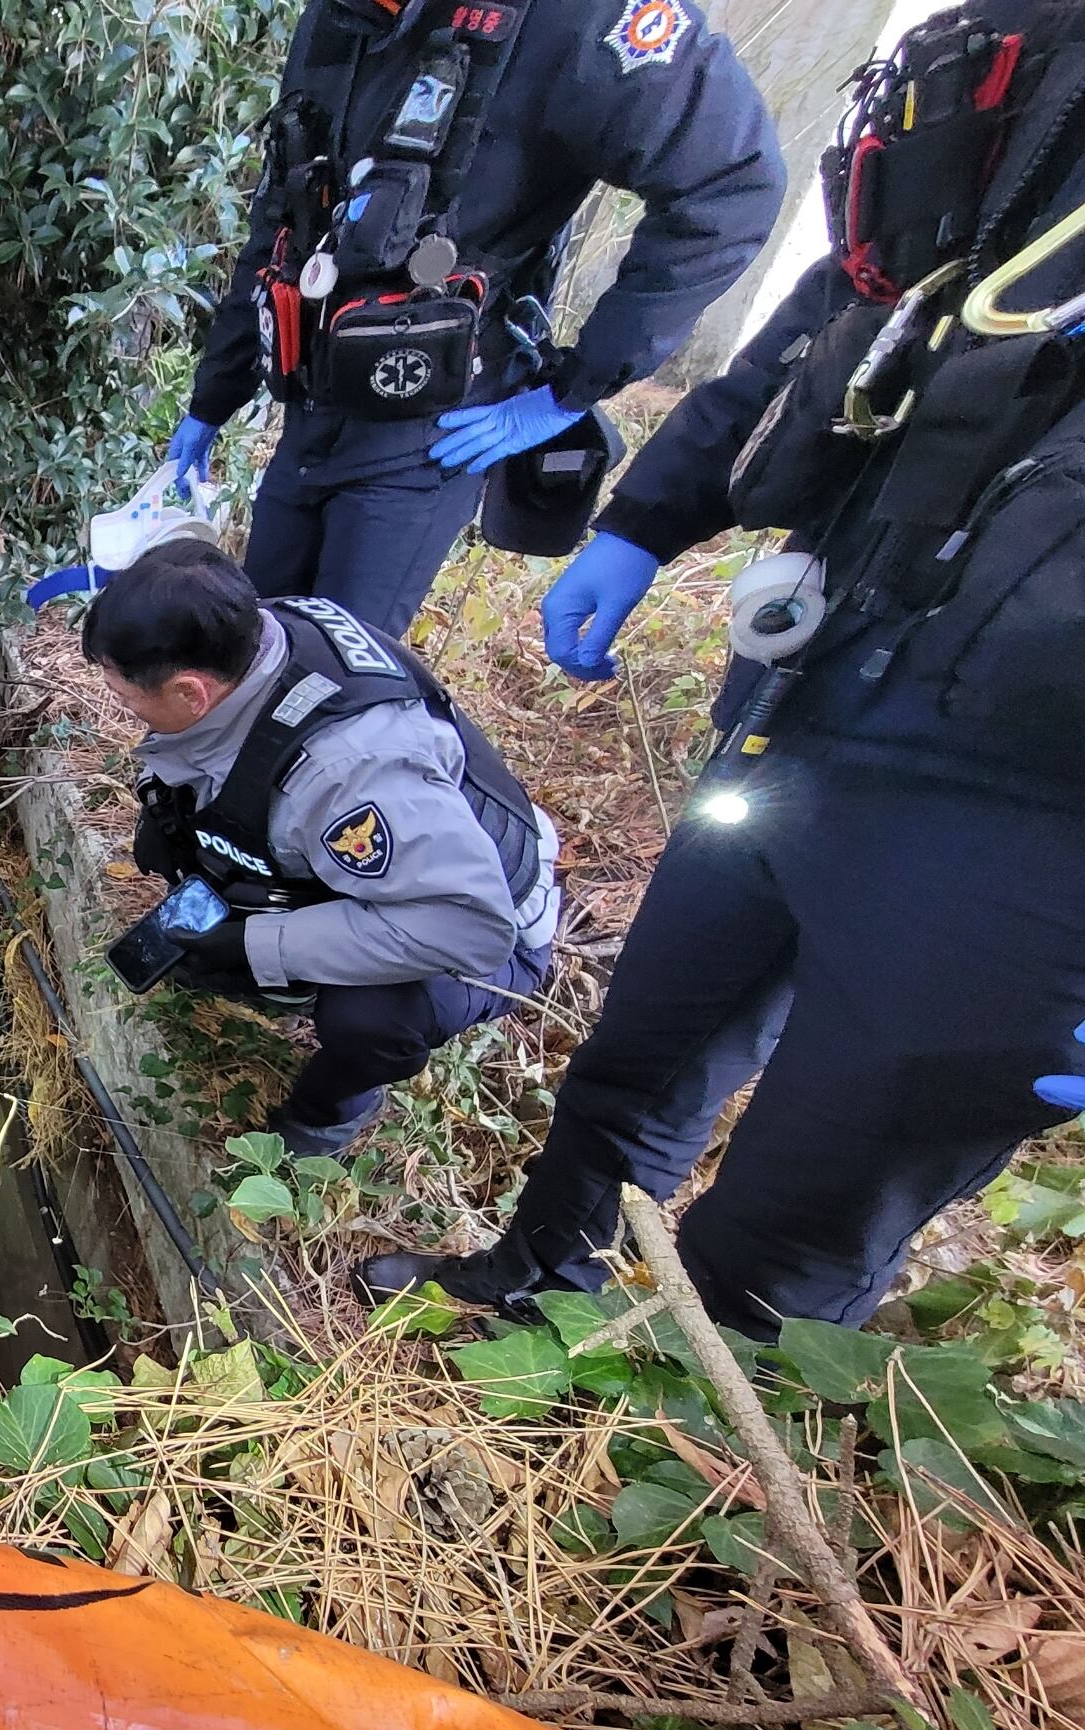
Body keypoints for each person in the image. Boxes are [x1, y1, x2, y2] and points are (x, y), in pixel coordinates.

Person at [362, 0, 1085, 1337]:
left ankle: (689, 1436)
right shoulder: (1015, 61)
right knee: (639, 1059)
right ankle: (541, 1289)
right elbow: (841, 306)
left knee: (801, 1202)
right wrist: (647, 518)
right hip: (820, 688)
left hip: (1038, 819)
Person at [165, 0, 782, 637]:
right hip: (311, 403)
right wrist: (216, 394)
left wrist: (575, 386)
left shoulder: (580, 20)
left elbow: (732, 187)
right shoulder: (342, 15)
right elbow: (283, 215)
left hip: (437, 425)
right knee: (257, 646)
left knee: (346, 668)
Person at [89, 538, 561, 1157]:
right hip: (399, 865)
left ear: (189, 693)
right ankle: (273, 969)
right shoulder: (250, 634)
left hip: (482, 927)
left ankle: (326, 1119)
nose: (124, 712)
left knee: (371, 1019)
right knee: (168, 832)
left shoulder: (348, 773)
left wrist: (257, 944)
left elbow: (469, 928)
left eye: (127, 699)